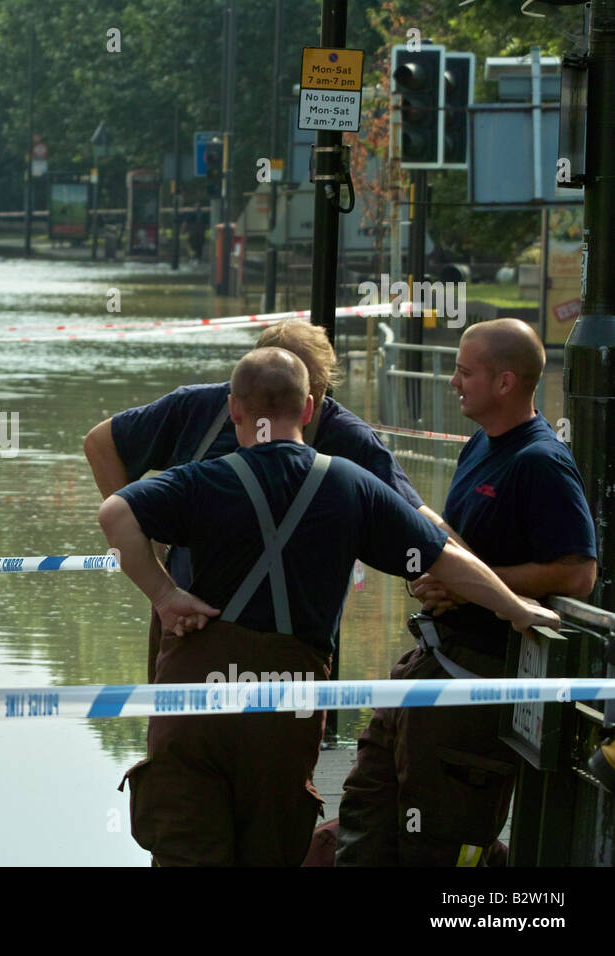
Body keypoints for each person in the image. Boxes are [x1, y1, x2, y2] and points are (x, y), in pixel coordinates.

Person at [99, 347, 559, 866]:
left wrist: (164, 596)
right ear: (311, 408)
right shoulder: (349, 483)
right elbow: (444, 558)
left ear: (235, 411)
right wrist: (517, 608)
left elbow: (115, 512)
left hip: (196, 701)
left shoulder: (200, 481)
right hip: (282, 704)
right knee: (271, 849)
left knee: (185, 846)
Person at [337, 318, 596, 866]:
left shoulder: (541, 462)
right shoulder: (481, 442)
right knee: (368, 805)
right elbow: (459, 551)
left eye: (463, 371)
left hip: (479, 680)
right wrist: (436, 579)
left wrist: (479, 584)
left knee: (443, 839)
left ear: (505, 383)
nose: (453, 381)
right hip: (431, 660)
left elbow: (578, 574)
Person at [84, 319, 460, 683]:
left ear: (316, 396)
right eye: (270, 395)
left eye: (296, 396)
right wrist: (159, 575)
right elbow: (103, 445)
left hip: (293, 635)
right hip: (190, 619)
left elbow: (419, 520)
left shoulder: (347, 437)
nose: (283, 410)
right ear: (246, 388)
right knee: (180, 740)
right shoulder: (198, 408)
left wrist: (467, 577)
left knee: (275, 740)